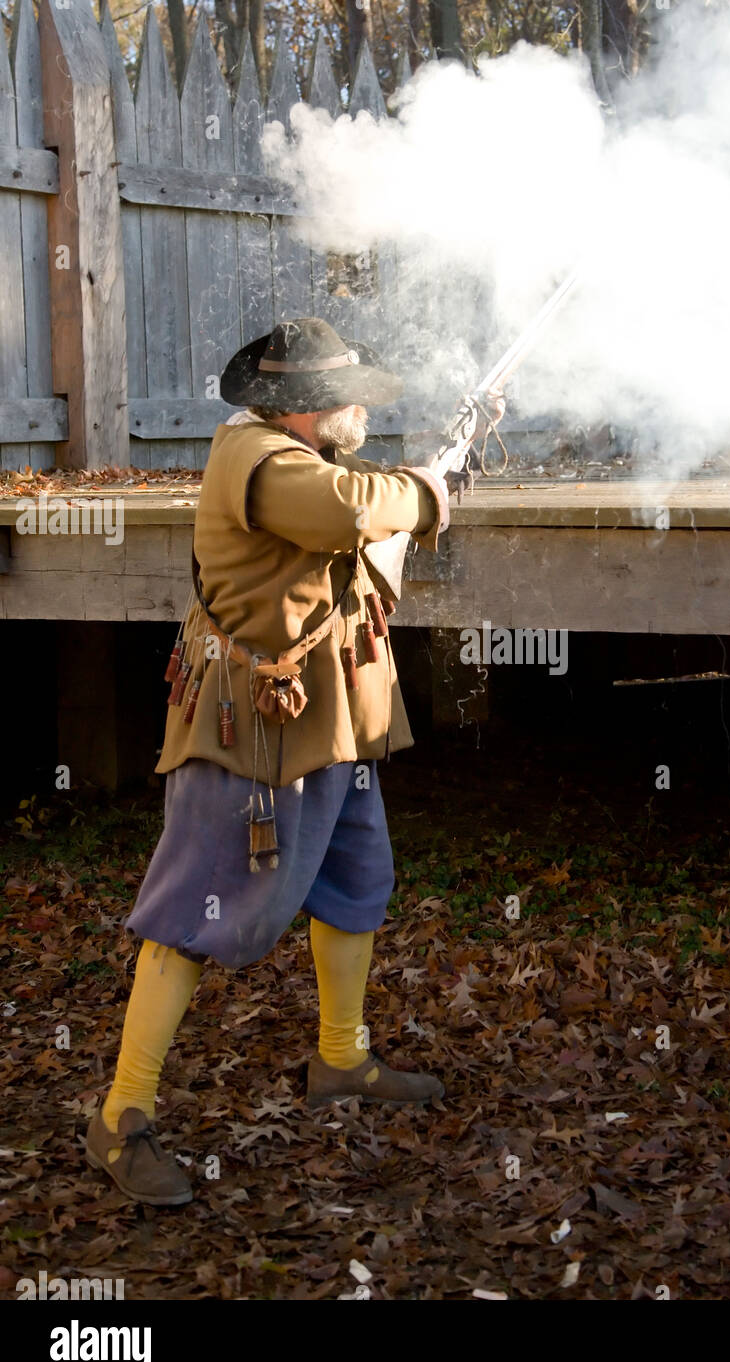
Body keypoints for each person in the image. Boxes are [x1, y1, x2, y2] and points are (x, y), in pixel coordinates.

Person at [85, 318, 493, 1206]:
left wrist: (422, 481)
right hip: (248, 726)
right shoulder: (260, 460)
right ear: (303, 410)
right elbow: (350, 510)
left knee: (356, 879)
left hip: (334, 718)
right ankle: (121, 1117)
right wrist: (426, 490)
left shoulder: (297, 455)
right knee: (188, 913)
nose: (360, 410)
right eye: (348, 398)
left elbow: (350, 520)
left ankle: (341, 1059)